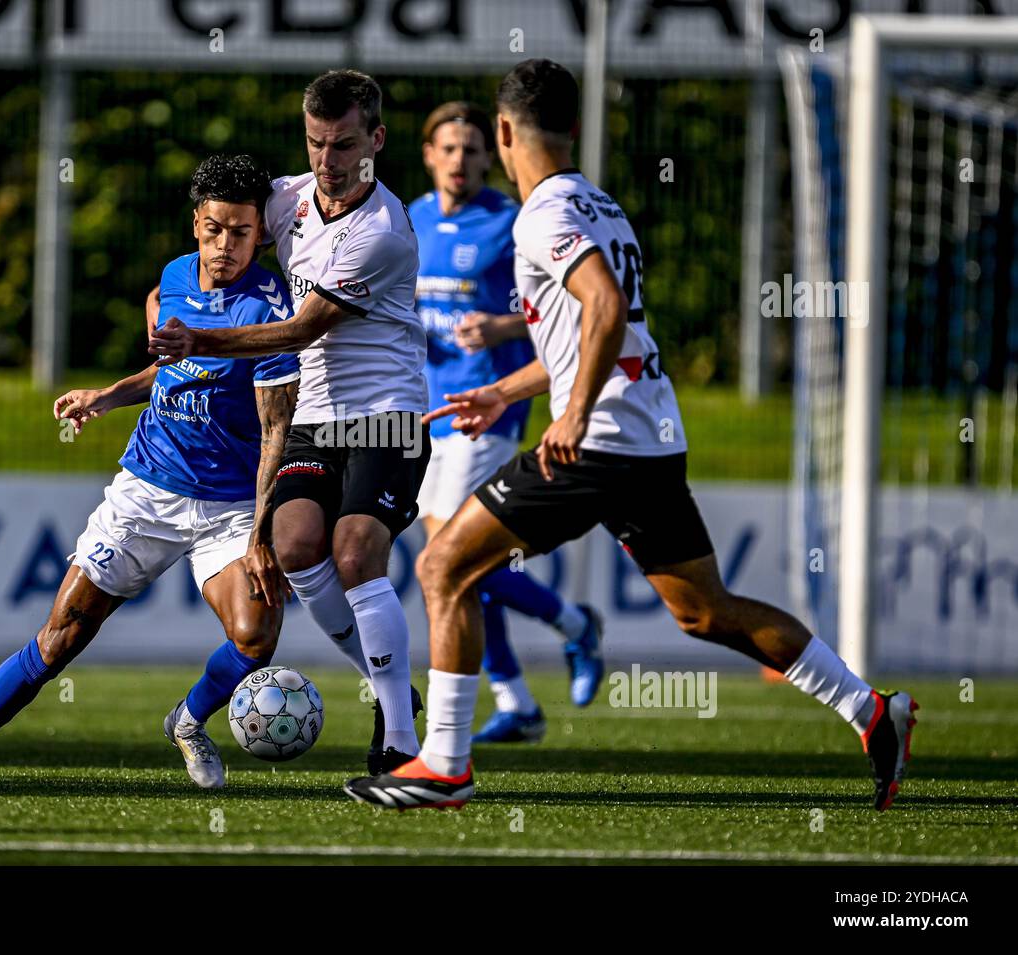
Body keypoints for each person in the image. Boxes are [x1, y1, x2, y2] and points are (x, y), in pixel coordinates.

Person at [344, 60, 918, 811]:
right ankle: (873, 711)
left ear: (506, 131)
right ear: (575, 127)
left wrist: (574, 413)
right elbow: (596, 332)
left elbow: (605, 308)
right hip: (647, 436)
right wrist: (507, 389)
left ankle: (445, 764)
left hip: (601, 441)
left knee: (445, 566)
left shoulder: (544, 213)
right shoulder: (599, 205)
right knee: (705, 609)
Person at [0, 154, 299, 791]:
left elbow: (276, 429)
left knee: (257, 637)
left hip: (229, 507)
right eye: (214, 229)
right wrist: (108, 395)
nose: (225, 245)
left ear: (261, 233)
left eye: (241, 232)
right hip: (147, 489)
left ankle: (188, 719)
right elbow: (170, 374)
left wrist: (260, 535)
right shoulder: (172, 279)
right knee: (62, 635)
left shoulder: (271, 311)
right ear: (195, 223)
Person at [150, 70, 429, 775]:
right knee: (296, 540)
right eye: (314, 144)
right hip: (316, 416)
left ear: (377, 140)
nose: (326, 164)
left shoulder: (383, 232)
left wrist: (200, 340)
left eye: (342, 147)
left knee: (357, 550)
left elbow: (299, 331)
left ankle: (398, 738)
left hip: (384, 416)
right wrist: (172, 292)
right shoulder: (287, 198)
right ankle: (389, 677)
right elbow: (227, 236)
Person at [410, 100, 604, 744]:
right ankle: (521, 695)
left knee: (448, 557)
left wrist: (500, 325)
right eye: (448, 148)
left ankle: (570, 629)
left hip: (489, 409)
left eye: (471, 149)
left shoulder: (511, 222)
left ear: (489, 155)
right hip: (428, 411)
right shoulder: (411, 219)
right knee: (460, 568)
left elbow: (567, 305)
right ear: (429, 155)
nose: (460, 160)